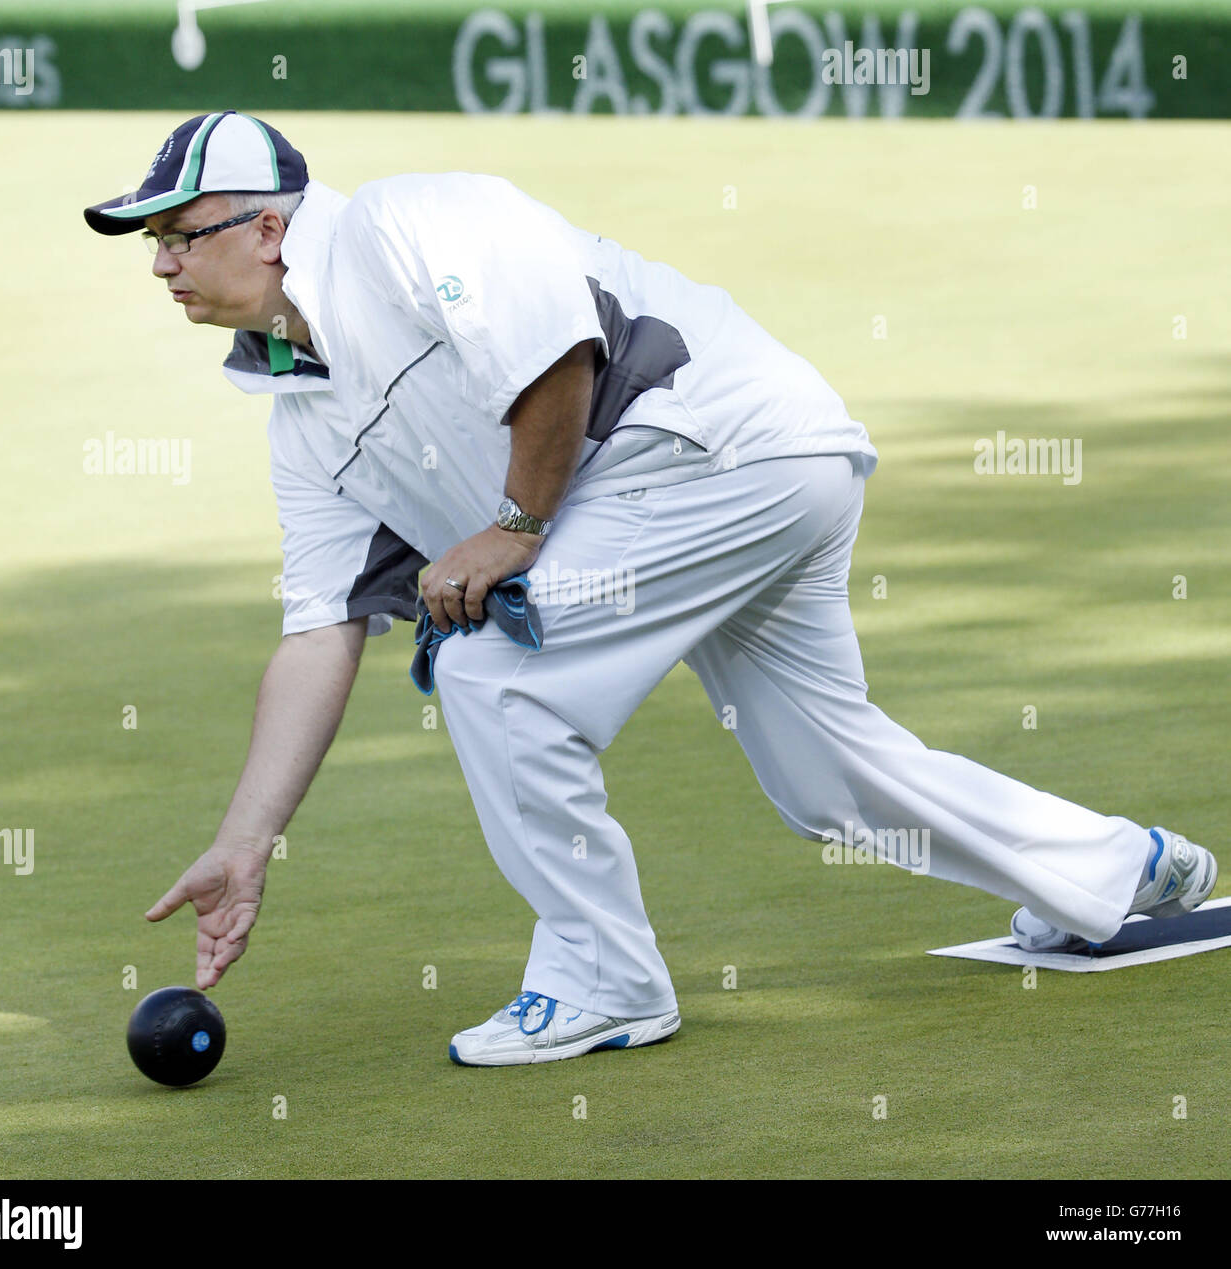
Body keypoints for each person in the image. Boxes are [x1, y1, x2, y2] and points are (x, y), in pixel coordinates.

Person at [85, 112, 1217, 1067]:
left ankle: (605, 980)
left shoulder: (406, 221)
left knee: (490, 670)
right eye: (153, 244)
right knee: (828, 779)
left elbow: (556, 352)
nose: (161, 266)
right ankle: (1121, 873)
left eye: (180, 236)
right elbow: (319, 633)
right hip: (732, 480)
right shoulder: (300, 414)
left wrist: (517, 528)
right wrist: (246, 844)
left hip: (721, 452)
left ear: (268, 225)